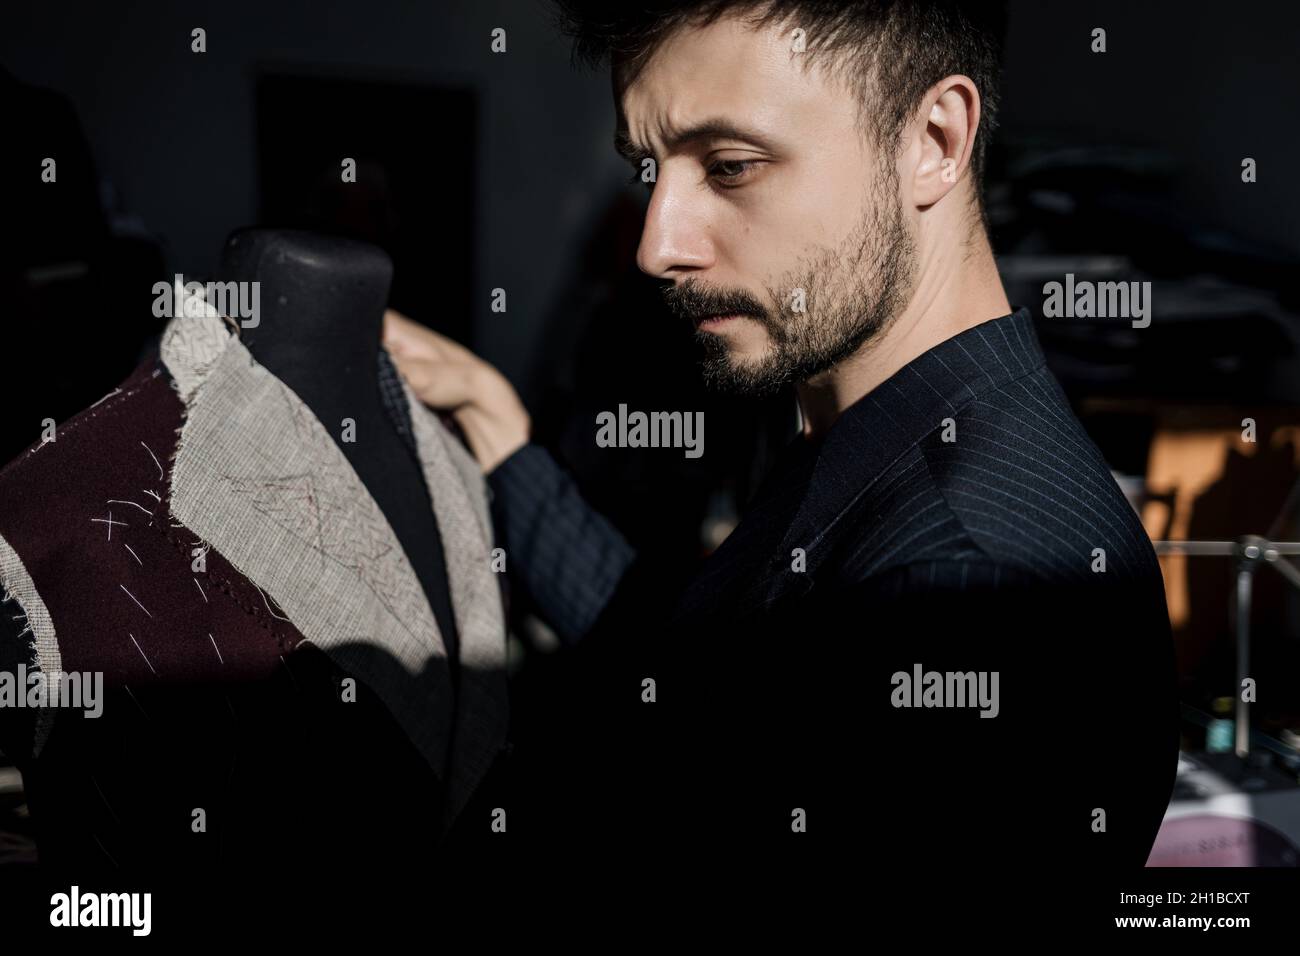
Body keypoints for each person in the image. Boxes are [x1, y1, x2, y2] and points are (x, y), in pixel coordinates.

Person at [385, 0, 1180, 912]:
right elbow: (697, 668)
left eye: (730, 167)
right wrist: (499, 437)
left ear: (933, 138)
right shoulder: (873, 431)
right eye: (649, 172)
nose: (655, 245)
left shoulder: (962, 594)